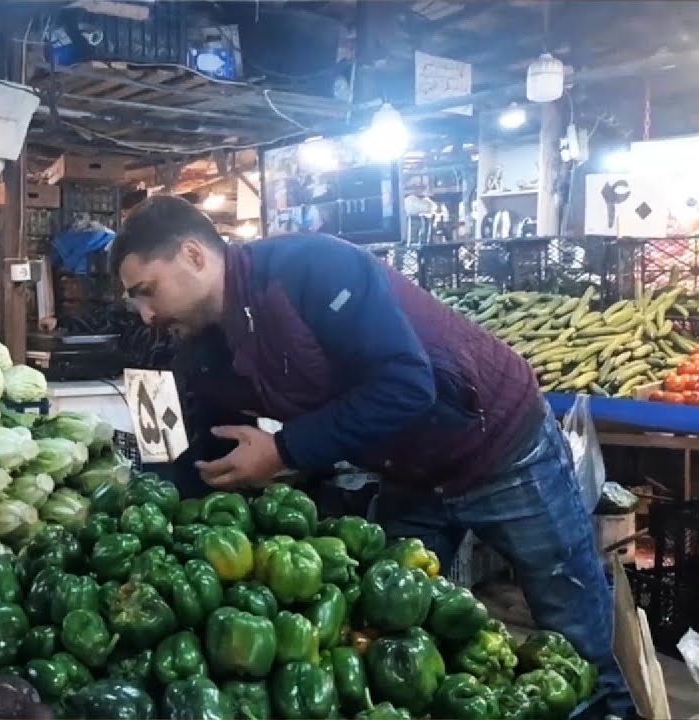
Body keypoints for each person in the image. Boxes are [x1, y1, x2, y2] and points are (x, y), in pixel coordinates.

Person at [111, 194, 630, 716]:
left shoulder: (310, 269)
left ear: (194, 256)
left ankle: (614, 710)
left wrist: (286, 449)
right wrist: (155, 518)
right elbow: (206, 441)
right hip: (404, 470)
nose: (148, 314)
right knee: (394, 635)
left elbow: (406, 385)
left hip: (498, 445)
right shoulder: (205, 346)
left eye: (147, 291)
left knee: (572, 628)